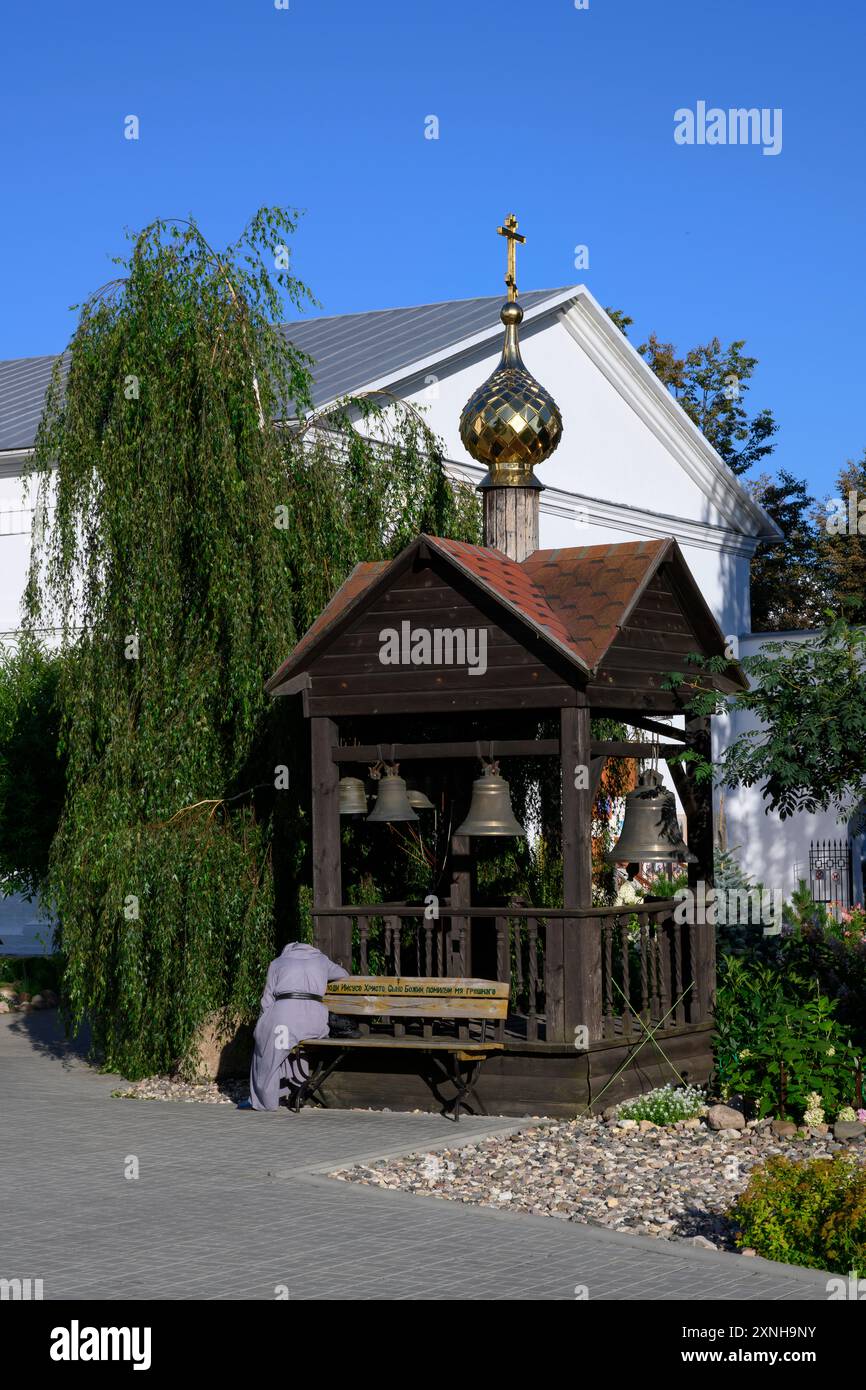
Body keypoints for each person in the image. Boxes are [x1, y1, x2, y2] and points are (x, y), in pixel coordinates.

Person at [245, 941, 349, 1111]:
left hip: (285, 1018)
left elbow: (267, 999)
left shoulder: (278, 962)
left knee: (266, 1047)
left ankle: (265, 1101)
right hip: (316, 1022)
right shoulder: (321, 960)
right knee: (287, 1042)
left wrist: (264, 1022)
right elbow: (343, 974)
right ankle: (292, 1083)